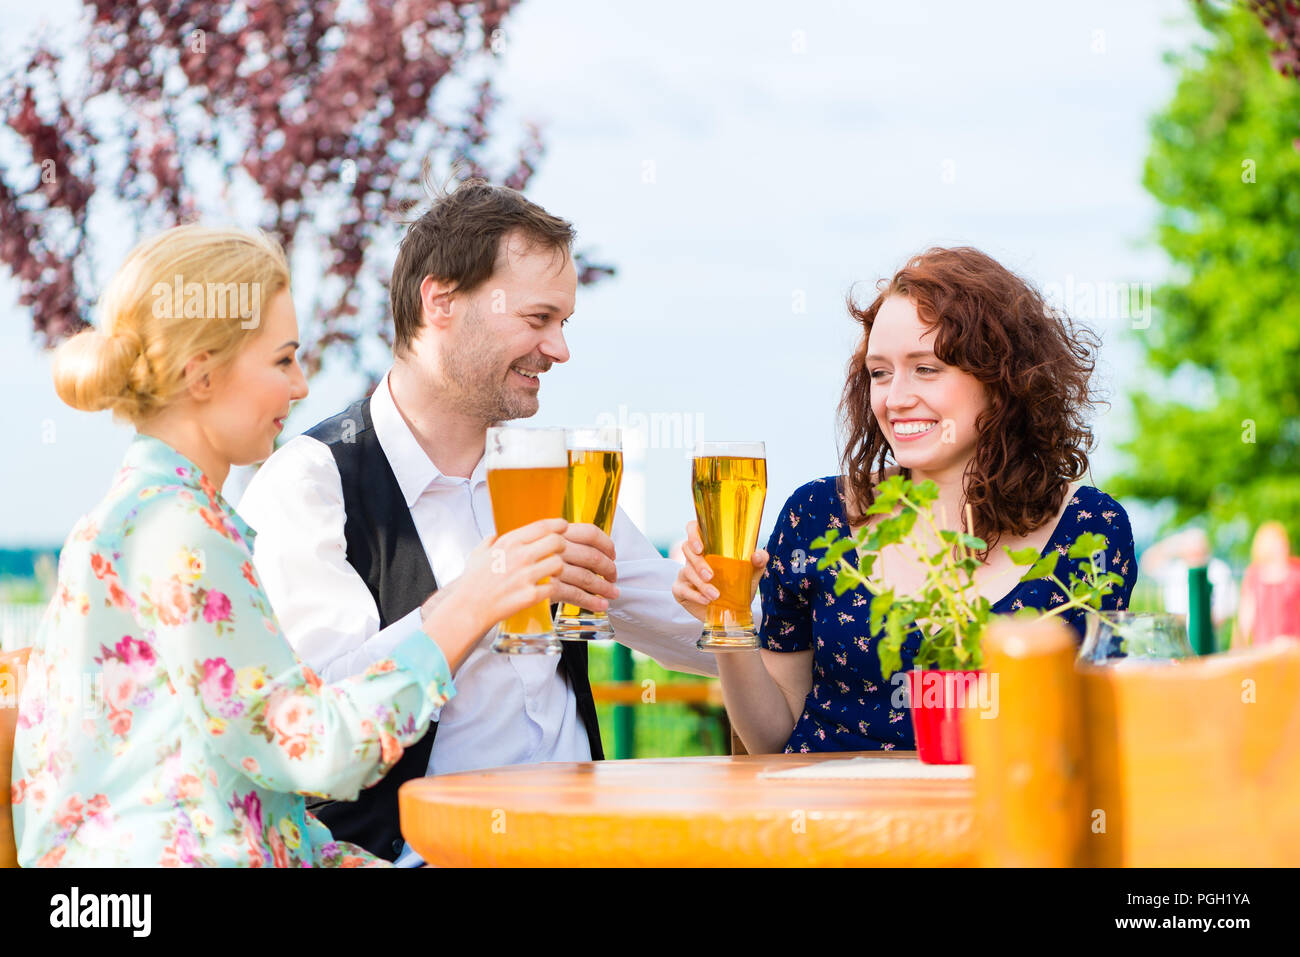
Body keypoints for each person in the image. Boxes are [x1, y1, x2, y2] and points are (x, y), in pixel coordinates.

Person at [11, 225, 567, 866]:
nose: (302, 386)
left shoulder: (142, 520)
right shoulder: (180, 536)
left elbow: (254, 796)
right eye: (282, 360)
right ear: (202, 375)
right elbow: (310, 756)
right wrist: (472, 602)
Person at [237, 179, 712, 864]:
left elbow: (692, 631)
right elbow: (319, 727)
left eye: (564, 324)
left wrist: (718, 590)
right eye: (538, 318)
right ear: (442, 302)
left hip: (585, 845)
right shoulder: (311, 483)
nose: (559, 349)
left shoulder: (561, 473)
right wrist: (476, 596)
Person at [673, 247, 1138, 754]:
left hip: (994, 825)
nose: (894, 398)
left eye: (926, 368)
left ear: (1000, 379)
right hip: (827, 824)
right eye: (879, 372)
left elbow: (1089, 738)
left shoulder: (1090, 528)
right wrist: (729, 620)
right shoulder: (815, 516)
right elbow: (771, 740)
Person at [1141, 528, 1238, 633]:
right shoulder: (1176, 569)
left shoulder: (1218, 570)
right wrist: (1174, 543)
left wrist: (1202, 627)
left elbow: (1226, 608)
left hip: (1209, 635)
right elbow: (1147, 563)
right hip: (1178, 635)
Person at [1232, 522, 1300, 647]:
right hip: (1263, 649)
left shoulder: (1296, 572)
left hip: (1294, 648)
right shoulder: (1254, 576)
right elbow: (1245, 618)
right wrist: (1238, 648)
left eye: (1282, 542)